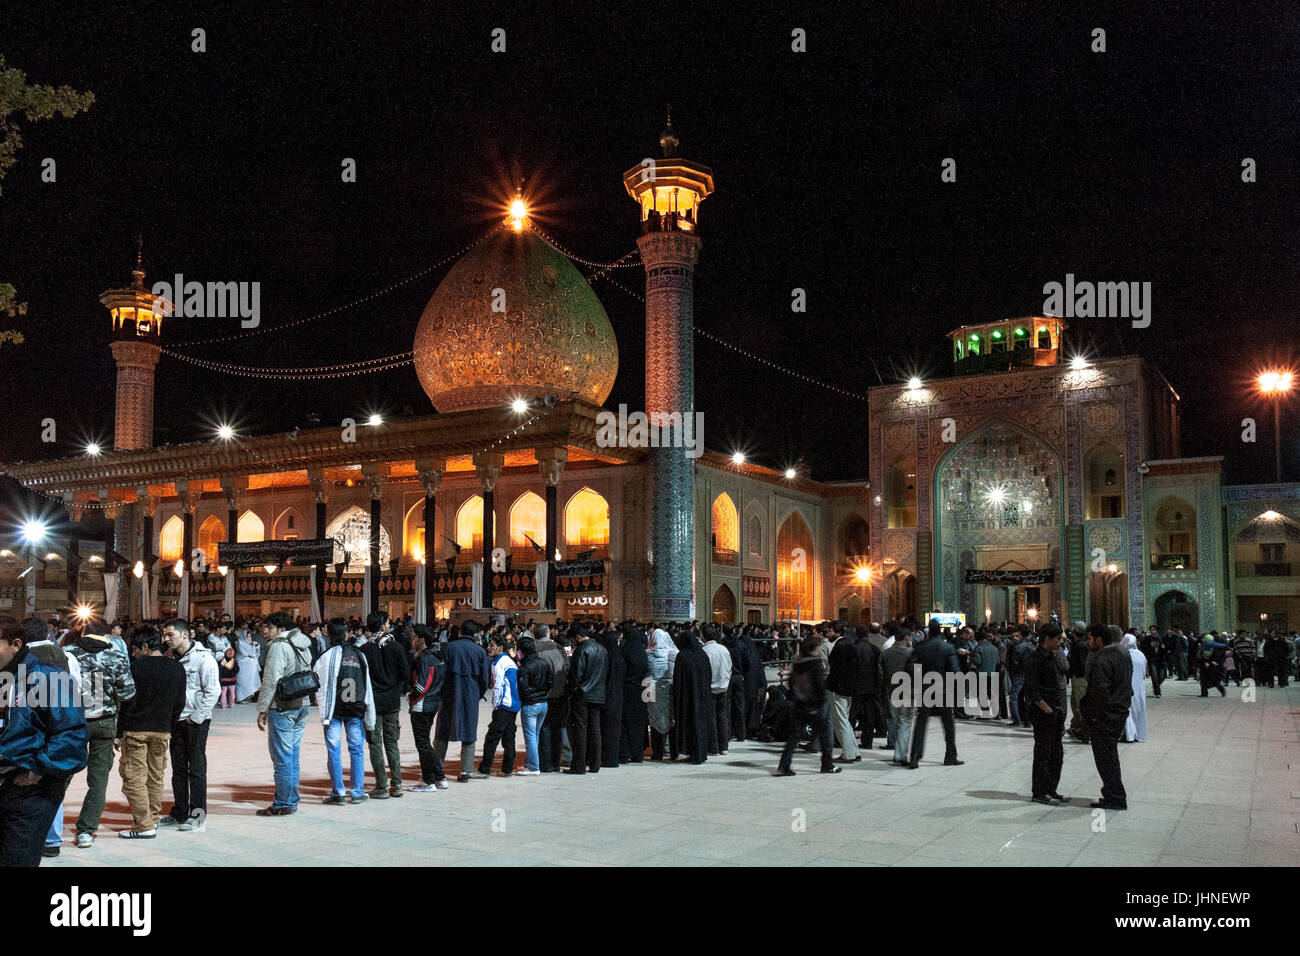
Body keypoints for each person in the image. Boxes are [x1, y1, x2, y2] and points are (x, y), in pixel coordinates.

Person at [0, 616, 88, 865]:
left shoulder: (50, 679)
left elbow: (72, 736)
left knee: (17, 859)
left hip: (31, 789)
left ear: (15, 644)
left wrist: (38, 769)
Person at [64, 621, 136, 849]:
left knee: (61, 775)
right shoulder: (115, 656)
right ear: (106, 635)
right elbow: (127, 692)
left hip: (72, 723)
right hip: (104, 724)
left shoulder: (65, 654)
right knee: (98, 781)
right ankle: (86, 830)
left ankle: (48, 826)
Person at [115, 626, 186, 839]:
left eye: (135, 649)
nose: (133, 653)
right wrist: (169, 724)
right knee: (155, 776)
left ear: (145, 646)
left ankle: (143, 825)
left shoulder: (135, 669)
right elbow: (180, 703)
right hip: (162, 730)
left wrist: (119, 732)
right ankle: (152, 819)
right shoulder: (176, 668)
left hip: (136, 730)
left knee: (134, 778)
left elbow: (126, 703)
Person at [160, 619, 219, 832]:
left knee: (196, 768)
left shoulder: (204, 659)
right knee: (177, 770)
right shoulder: (169, 658)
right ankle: (179, 811)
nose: (165, 639)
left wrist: (196, 718)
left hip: (195, 722)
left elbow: (213, 691)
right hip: (174, 721)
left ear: (186, 634)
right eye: (164, 635)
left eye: (170, 635)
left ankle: (197, 814)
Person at [255, 612, 315, 816]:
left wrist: (263, 709)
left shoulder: (279, 646)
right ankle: (291, 799)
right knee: (292, 755)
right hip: (302, 703)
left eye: (269, 627)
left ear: (281, 629)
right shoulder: (303, 643)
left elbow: (271, 679)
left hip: (283, 707)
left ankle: (282, 803)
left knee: (282, 758)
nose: (265, 631)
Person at [313, 618, 376, 804]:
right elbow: (367, 685)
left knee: (333, 750)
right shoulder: (359, 655)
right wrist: (369, 712)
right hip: (355, 709)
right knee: (356, 749)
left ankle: (338, 793)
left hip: (333, 710)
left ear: (329, 634)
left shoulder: (326, 656)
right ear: (347, 634)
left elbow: (318, 683)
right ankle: (357, 792)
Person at [1081, 623, 1132, 810]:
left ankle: (1115, 796)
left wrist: (1092, 715)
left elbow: (1099, 692)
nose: (1087, 642)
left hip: (1105, 715)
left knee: (1105, 758)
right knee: (1110, 755)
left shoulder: (1103, 660)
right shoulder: (1123, 654)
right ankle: (1113, 793)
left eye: (1089, 638)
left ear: (1099, 639)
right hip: (1119, 711)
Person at [358, 611, 407, 798]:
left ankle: (381, 786)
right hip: (392, 702)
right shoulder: (395, 647)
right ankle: (397, 784)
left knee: (375, 743)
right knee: (391, 742)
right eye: (387, 623)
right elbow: (404, 673)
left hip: (373, 703)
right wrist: (395, 689)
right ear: (382, 626)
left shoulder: (364, 650)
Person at [776, 635, 840, 776]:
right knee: (824, 735)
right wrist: (821, 700)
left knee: (794, 737)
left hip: (798, 703)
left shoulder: (798, 661)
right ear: (814, 649)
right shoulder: (815, 664)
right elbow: (819, 685)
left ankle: (784, 765)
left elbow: (790, 681)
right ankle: (827, 765)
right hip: (814, 705)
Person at [435, 621, 491, 783]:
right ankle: (465, 772)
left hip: (449, 692)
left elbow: (441, 672)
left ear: (460, 632)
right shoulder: (480, 651)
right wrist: (478, 694)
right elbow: (484, 679)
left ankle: (437, 768)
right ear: (475, 634)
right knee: (469, 732)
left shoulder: (449, 647)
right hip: (470, 694)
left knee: (443, 730)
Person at [907, 622, 964, 768]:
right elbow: (955, 671)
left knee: (921, 723)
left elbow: (910, 667)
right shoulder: (947, 647)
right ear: (940, 632)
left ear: (928, 632)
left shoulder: (920, 647)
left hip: (926, 689)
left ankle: (914, 757)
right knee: (948, 724)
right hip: (943, 689)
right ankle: (950, 756)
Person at [1023, 623, 1069, 804]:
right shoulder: (1034, 659)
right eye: (1057, 639)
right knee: (1043, 752)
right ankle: (1040, 792)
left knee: (1056, 753)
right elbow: (1032, 690)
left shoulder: (1052, 656)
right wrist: (1046, 708)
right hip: (1043, 713)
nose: (1060, 642)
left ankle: (1051, 789)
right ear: (1047, 639)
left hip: (1055, 711)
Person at [405, 625, 446, 792]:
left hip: (423, 704)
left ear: (422, 639)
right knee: (426, 743)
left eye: (415, 637)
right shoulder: (437, 656)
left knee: (422, 744)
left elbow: (422, 685)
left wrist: (411, 697)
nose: (413, 640)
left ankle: (428, 781)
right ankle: (439, 777)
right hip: (433, 702)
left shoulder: (425, 658)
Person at [565, 624, 608, 774]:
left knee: (580, 730)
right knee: (595, 729)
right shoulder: (602, 649)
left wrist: (571, 690)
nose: (572, 644)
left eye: (572, 640)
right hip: (598, 695)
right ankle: (595, 764)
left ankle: (578, 765)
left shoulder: (581, 650)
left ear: (577, 637)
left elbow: (576, 675)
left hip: (582, 695)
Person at [478, 634, 521, 777]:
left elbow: (499, 686)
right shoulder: (507, 661)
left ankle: (485, 769)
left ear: (500, 648)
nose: (488, 647)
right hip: (513, 704)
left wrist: (496, 705)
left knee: (492, 738)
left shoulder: (499, 663)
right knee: (509, 737)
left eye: (492, 645)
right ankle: (507, 768)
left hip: (504, 705)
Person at [532, 624, 567, 773]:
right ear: (548, 633)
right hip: (558, 694)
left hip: (540, 695)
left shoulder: (533, 649)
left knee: (542, 729)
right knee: (557, 728)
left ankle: (544, 763)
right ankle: (556, 762)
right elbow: (566, 669)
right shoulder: (559, 648)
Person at [516, 635, 552, 775]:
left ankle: (533, 766)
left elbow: (523, 687)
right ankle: (531, 763)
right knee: (535, 735)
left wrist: (529, 695)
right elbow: (550, 682)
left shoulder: (524, 666)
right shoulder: (544, 663)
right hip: (543, 703)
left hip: (530, 704)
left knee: (530, 736)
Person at [825, 626, 860, 762]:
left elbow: (836, 670)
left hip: (839, 689)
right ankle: (854, 751)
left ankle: (848, 754)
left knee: (841, 722)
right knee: (845, 721)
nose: (827, 634)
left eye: (830, 631)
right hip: (849, 689)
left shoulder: (840, 646)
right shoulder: (849, 643)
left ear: (838, 632)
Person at [882, 630, 915, 765]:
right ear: (907, 638)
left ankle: (899, 751)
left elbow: (881, 674)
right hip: (908, 692)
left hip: (892, 691)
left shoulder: (886, 653)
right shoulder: (911, 653)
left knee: (897, 722)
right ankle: (900, 754)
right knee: (905, 722)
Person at [646, 626, 677, 760]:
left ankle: (657, 752)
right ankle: (672, 750)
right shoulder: (673, 653)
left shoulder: (647, 653)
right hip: (669, 691)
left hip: (651, 691)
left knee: (654, 719)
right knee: (671, 718)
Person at [701, 624, 732, 755]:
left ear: (703, 637)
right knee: (722, 717)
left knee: (712, 718)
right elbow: (729, 667)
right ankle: (723, 746)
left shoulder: (705, 651)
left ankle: (713, 748)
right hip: (723, 688)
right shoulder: (723, 649)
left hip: (711, 689)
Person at [619, 625, 648, 762]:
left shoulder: (624, 651)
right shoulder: (643, 652)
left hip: (627, 690)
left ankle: (625, 753)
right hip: (641, 690)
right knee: (638, 723)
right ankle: (638, 753)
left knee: (626, 722)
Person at [598, 627, 625, 768]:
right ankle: (613, 758)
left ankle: (607, 758)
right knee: (614, 730)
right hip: (618, 697)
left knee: (606, 729)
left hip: (607, 697)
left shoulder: (606, 656)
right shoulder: (619, 656)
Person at [1121, 634, 1149, 742]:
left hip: (1127, 685)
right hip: (1139, 687)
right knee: (1138, 709)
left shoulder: (1124, 655)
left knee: (1129, 710)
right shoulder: (1141, 655)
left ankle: (1129, 734)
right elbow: (1144, 672)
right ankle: (1137, 733)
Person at [1066, 622, 1090, 743]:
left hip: (1080, 678)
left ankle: (1084, 730)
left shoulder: (1080, 646)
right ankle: (1076, 727)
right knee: (1075, 703)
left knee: (1080, 704)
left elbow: (1080, 663)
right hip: (1077, 677)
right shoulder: (1080, 644)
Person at [234, 623, 262, 703]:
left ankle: (248, 696)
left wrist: (256, 646)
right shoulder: (240, 642)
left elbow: (256, 655)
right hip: (243, 665)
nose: (249, 638)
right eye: (248, 636)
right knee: (242, 681)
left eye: (250, 636)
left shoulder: (251, 643)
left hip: (251, 667)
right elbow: (244, 654)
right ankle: (240, 698)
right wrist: (251, 654)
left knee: (250, 681)